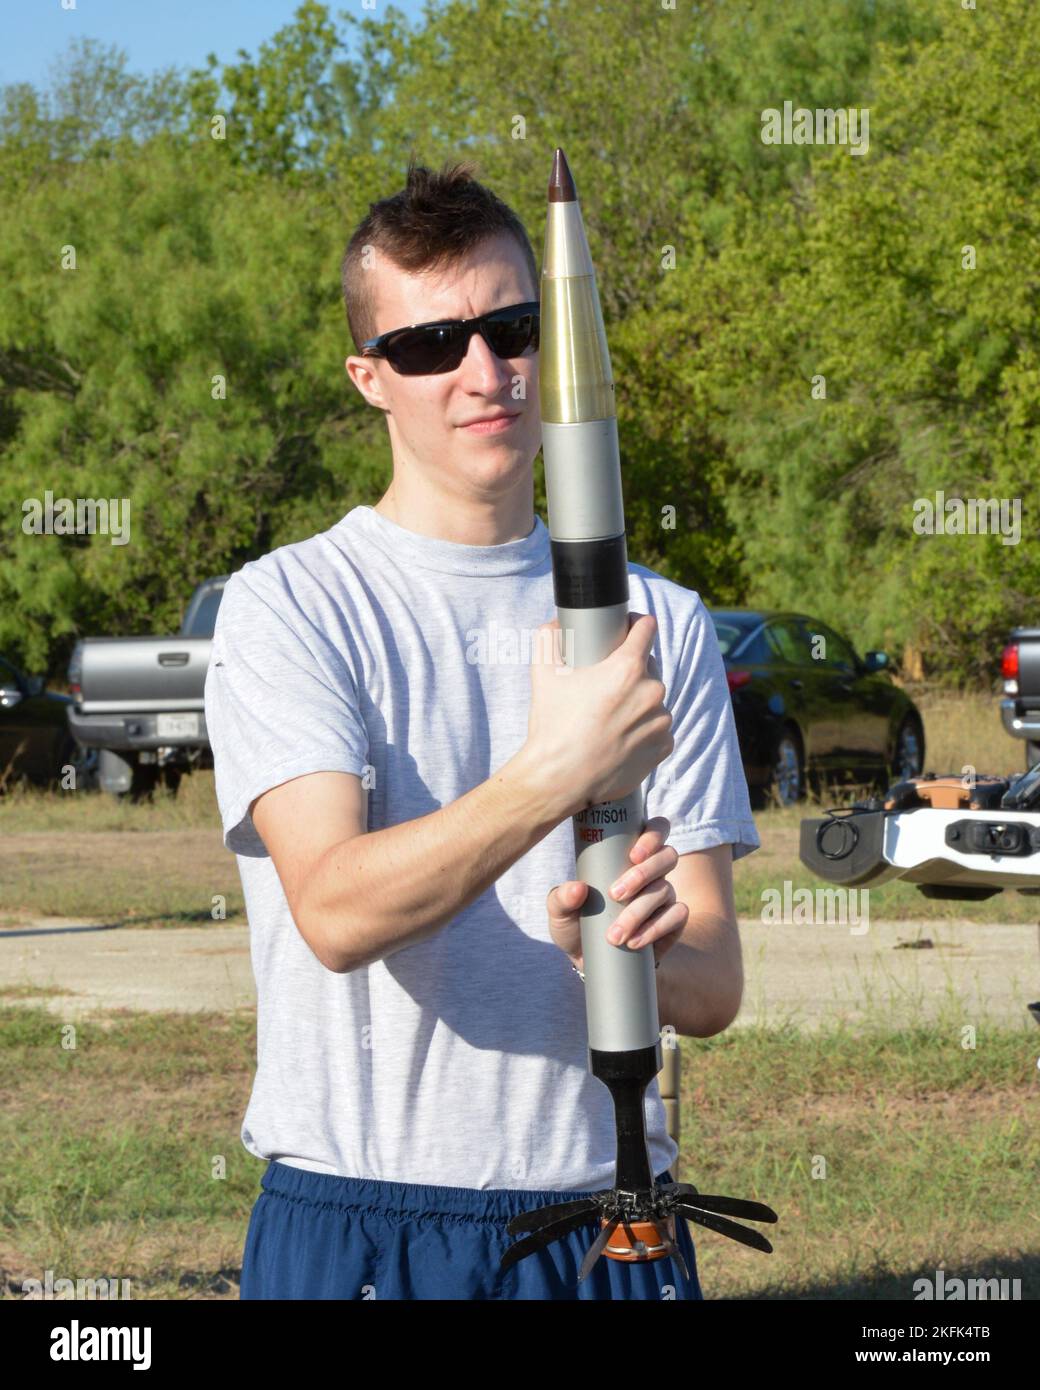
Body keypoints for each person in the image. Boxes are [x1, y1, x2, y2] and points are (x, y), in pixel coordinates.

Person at [204, 157, 761, 1301]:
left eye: (512, 327)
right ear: (370, 375)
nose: (483, 371)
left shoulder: (659, 619)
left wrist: (643, 949)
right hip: (367, 1216)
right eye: (428, 345)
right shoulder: (292, 604)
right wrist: (553, 773)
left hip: (610, 1212)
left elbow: (709, 991)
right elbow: (339, 912)